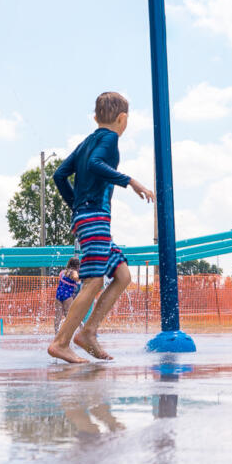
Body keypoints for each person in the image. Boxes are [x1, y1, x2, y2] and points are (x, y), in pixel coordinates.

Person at [47, 91, 155, 363]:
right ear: (123, 119)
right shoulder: (109, 139)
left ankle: (88, 333)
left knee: (122, 275)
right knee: (94, 281)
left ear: (96, 117)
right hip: (94, 217)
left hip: (90, 217)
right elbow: (95, 165)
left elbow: (60, 174)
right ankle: (61, 342)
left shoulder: (88, 141)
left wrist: (76, 204)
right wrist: (130, 180)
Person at [53, 256, 82, 329]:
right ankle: (81, 328)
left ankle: (56, 333)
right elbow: (76, 278)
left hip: (58, 294)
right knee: (71, 315)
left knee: (58, 316)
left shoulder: (63, 272)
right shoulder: (74, 272)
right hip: (67, 295)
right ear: (77, 266)